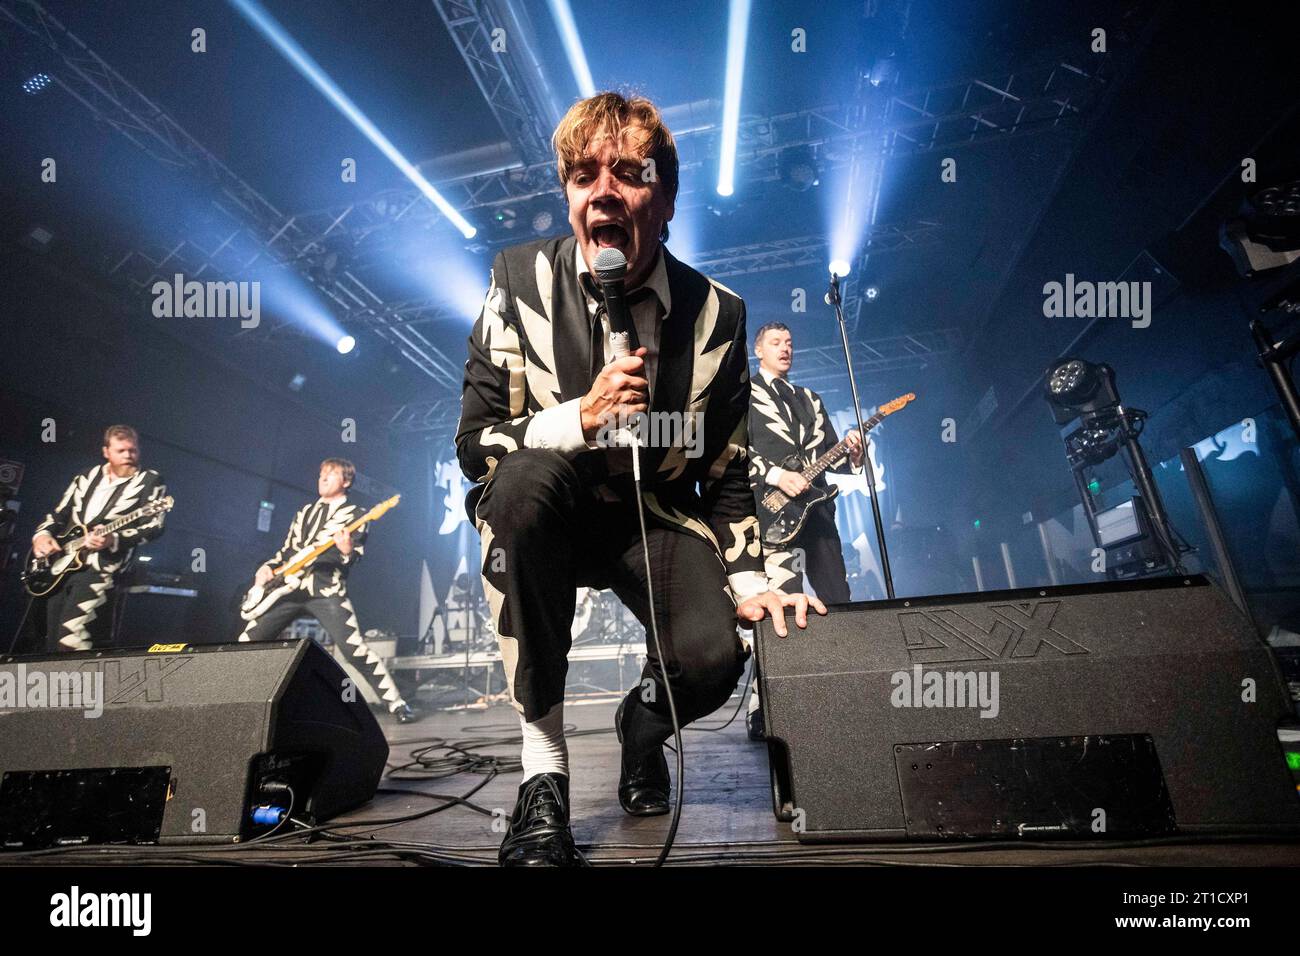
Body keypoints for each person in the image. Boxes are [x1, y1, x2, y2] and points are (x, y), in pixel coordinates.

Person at [456, 91, 825, 867]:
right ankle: (543, 778)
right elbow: (476, 444)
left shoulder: (718, 315)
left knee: (716, 657)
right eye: (583, 175)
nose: (604, 191)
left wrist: (752, 574)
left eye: (630, 172)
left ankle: (642, 727)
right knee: (519, 486)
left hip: (649, 510)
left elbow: (726, 467)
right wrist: (579, 419)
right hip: (545, 500)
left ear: (664, 200)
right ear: (567, 193)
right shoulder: (516, 281)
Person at [238, 458, 415, 723]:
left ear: (346, 481)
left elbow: (353, 556)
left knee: (354, 649)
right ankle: (236, 703)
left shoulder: (357, 515)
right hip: (287, 589)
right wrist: (268, 567)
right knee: (247, 642)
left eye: (330, 474)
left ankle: (397, 704)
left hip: (326, 589)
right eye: (321, 474)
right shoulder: (305, 512)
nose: (322, 478)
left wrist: (346, 551)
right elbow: (287, 550)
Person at [30, 424, 167, 651]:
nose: (128, 456)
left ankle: (79, 684)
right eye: (121, 451)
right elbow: (59, 514)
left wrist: (113, 539)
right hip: (61, 564)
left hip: (102, 566)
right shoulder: (86, 476)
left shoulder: (150, 480)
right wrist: (41, 536)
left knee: (71, 635)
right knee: (50, 636)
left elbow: (155, 527)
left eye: (132, 450)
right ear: (106, 452)